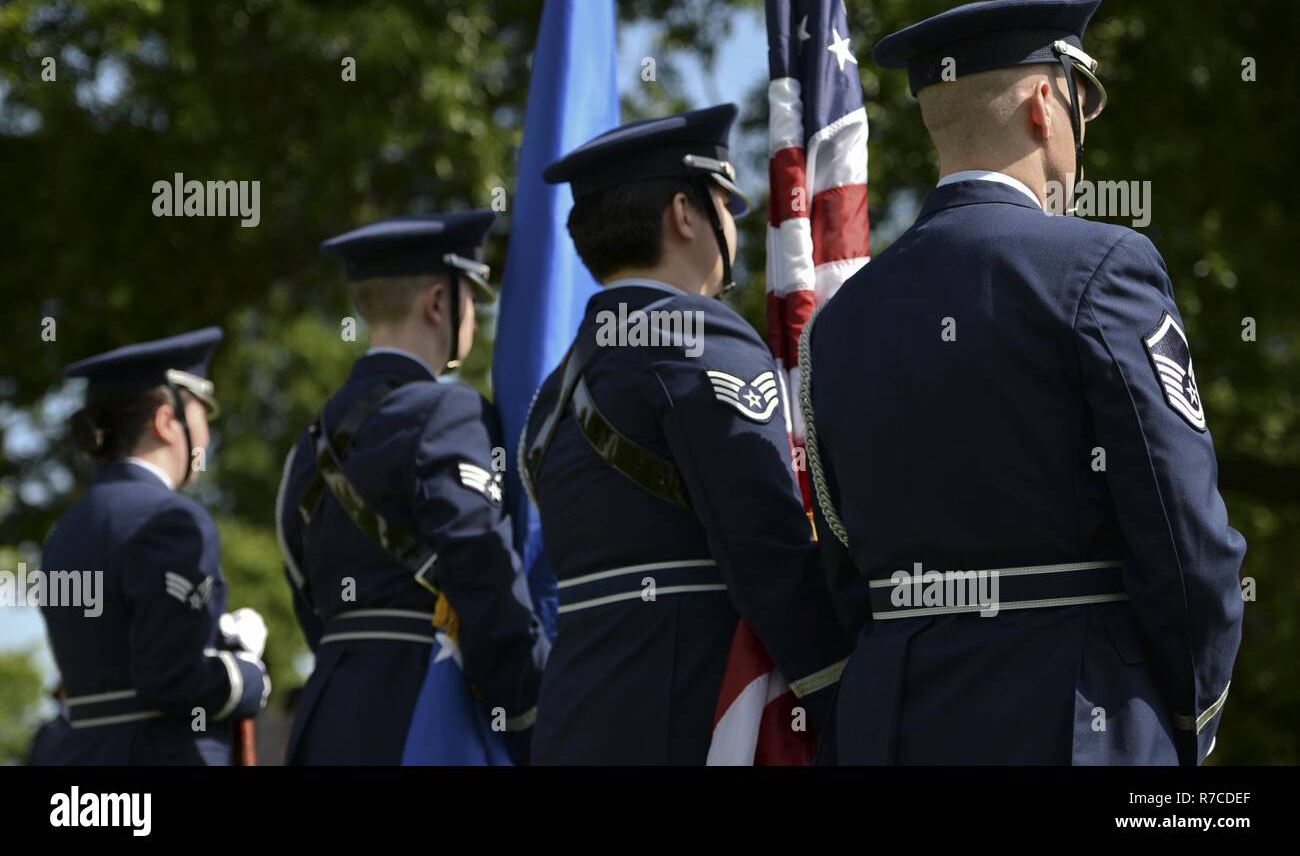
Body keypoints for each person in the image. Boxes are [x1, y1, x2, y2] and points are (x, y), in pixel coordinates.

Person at [801, 0, 1246, 764]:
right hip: (1075, 714)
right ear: (1045, 104)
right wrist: (1192, 712)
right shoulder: (1105, 266)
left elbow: (842, 561)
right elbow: (1185, 537)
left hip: (892, 719)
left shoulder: (839, 322)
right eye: (1084, 105)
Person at [521, 104, 861, 763]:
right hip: (690, 724)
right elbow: (769, 550)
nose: (733, 224)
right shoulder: (697, 338)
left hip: (576, 724)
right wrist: (844, 698)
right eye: (726, 205)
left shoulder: (554, 390)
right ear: (684, 213)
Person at [275, 211, 547, 764]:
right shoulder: (450, 410)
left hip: (327, 712)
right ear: (438, 303)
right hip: (422, 712)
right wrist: (537, 713)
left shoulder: (307, 440)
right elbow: (484, 573)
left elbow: (305, 591)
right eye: (471, 298)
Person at [40, 327, 270, 764]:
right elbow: (171, 679)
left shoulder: (65, 530)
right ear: (168, 421)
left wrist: (215, 636)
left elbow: (119, 648)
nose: (206, 434)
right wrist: (245, 672)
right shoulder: (173, 520)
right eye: (204, 412)